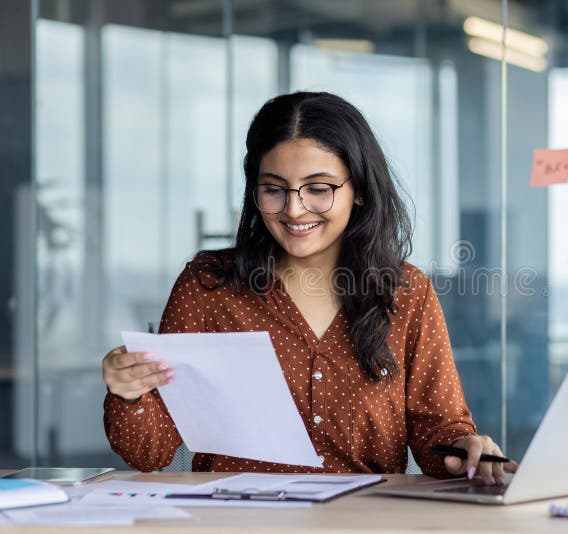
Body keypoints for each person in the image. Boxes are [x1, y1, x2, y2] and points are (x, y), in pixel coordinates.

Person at [101, 91, 516, 485]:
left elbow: (437, 433)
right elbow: (149, 453)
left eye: (319, 189)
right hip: (235, 521)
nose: (294, 209)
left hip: (363, 523)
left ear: (359, 192)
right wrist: (128, 393)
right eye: (274, 189)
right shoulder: (208, 286)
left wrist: (464, 448)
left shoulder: (406, 292)